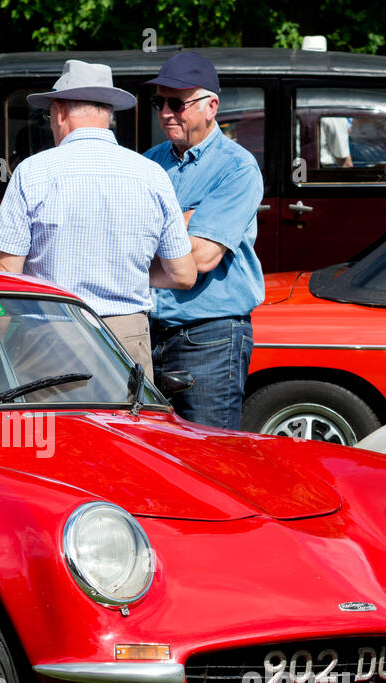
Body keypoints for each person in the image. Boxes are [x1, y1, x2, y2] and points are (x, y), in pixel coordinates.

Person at [0, 59, 195, 378]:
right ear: (108, 112)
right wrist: (123, 270)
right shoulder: (152, 174)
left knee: (52, 429)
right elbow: (182, 275)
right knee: (122, 428)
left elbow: (6, 274)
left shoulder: (33, 172)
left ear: (59, 111)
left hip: (48, 335)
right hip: (127, 338)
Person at [143, 51, 264, 431]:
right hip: (147, 329)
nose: (166, 112)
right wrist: (186, 220)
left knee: (210, 455)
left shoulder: (237, 167)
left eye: (177, 102)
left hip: (209, 336)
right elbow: (117, 237)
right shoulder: (149, 163)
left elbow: (202, 257)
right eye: (159, 102)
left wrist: (153, 231)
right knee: (150, 454)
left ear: (211, 106)